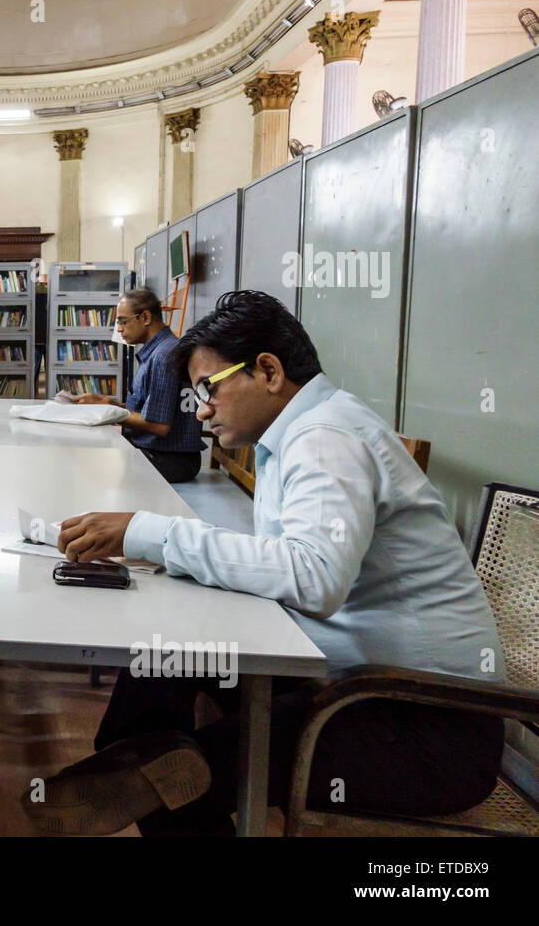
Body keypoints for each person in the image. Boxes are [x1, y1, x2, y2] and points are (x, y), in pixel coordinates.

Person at [25, 290, 505, 836]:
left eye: (208, 388)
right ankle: (128, 765)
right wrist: (163, 550)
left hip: (421, 725)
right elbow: (288, 561)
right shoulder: (300, 433)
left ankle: (142, 775)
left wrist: (151, 534)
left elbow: (313, 577)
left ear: (269, 371)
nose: (201, 409)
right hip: (352, 685)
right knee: (158, 666)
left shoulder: (326, 437)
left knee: (178, 774)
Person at [67, 288, 202, 483]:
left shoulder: (162, 356)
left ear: (145, 317)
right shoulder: (161, 349)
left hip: (170, 460)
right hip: (164, 454)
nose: (119, 329)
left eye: (123, 321)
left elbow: (159, 425)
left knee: (85, 464)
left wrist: (109, 412)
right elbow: (153, 409)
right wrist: (108, 403)